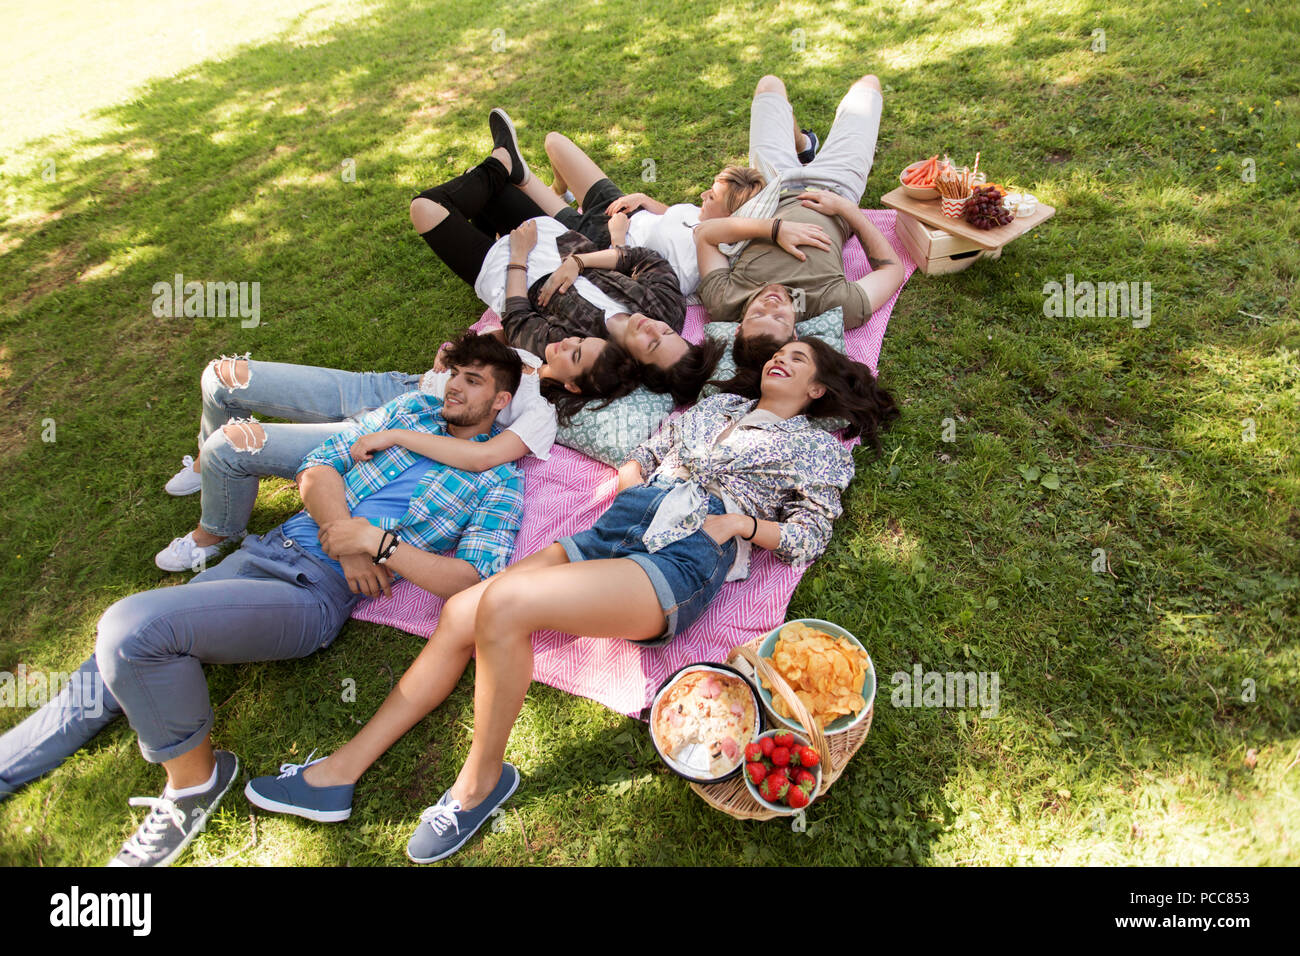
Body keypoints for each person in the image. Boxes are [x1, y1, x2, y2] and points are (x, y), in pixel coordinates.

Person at [244, 336, 899, 863]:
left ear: (817, 388)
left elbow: (810, 532)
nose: (780, 358)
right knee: (460, 612)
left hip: (688, 548)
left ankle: (478, 787)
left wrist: (740, 527)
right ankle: (338, 775)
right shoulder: (717, 409)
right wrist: (630, 477)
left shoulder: (819, 449)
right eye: (778, 353)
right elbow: (656, 447)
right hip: (621, 524)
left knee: (502, 607)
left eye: (800, 359)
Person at [0, 334, 528, 867]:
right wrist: (342, 534)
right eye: (456, 374)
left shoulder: (500, 478)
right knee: (114, 659)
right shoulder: (412, 410)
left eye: (473, 381)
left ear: (501, 401)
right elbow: (319, 467)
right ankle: (9, 766)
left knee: (131, 629)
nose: (454, 387)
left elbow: (471, 581)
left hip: (308, 594)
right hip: (269, 550)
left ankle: (196, 784)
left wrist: (377, 544)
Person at [154, 329, 618, 572]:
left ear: (575, 384)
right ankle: (204, 468)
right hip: (390, 391)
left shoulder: (538, 411)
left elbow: (481, 458)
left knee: (230, 446)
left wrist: (394, 436)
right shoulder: (528, 358)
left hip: (389, 438)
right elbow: (481, 346)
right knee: (222, 375)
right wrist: (454, 357)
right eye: (578, 338)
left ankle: (216, 529)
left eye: (577, 353)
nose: (569, 340)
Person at [410, 110, 725, 405]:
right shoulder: (666, 311)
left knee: (425, 208)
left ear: (638, 364)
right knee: (487, 191)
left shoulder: (586, 352)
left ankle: (501, 160)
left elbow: (520, 326)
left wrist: (517, 257)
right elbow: (644, 259)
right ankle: (497, 171)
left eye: (653, 343)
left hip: (508, 274)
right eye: (667, 332)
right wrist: (580, 262)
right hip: (557, 240)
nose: (654, 328)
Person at [693, 74, 909, 361]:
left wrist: (774, 229)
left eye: (758, 314)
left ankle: (802, 145)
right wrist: (848, 211)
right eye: (780, 318)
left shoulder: (724, 302)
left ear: (736, 328)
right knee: (867, 86)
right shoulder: (834, 306)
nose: (771, 303)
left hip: (770, 183)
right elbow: (893, 270)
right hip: (836, 185)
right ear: (796, 334)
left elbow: (705, 234)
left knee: (769, 85)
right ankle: (805, 149)